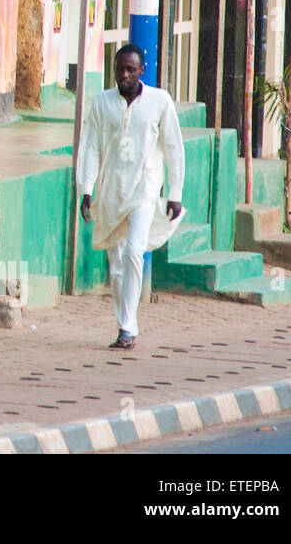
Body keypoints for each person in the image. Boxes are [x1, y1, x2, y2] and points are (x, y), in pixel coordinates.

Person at [77, 43, 185, 351]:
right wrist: (86, 189)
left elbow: (174, 148)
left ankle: (128, 327)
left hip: (145, 190)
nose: (123, 75)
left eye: (130, 69)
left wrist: (174, 193)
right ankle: (124, 322)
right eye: (119, 69)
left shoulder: (159, 101)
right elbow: (90, 147)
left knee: (135, 252)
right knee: (116, 266)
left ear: (141, 71)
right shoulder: (102, 103)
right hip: (111, 192)